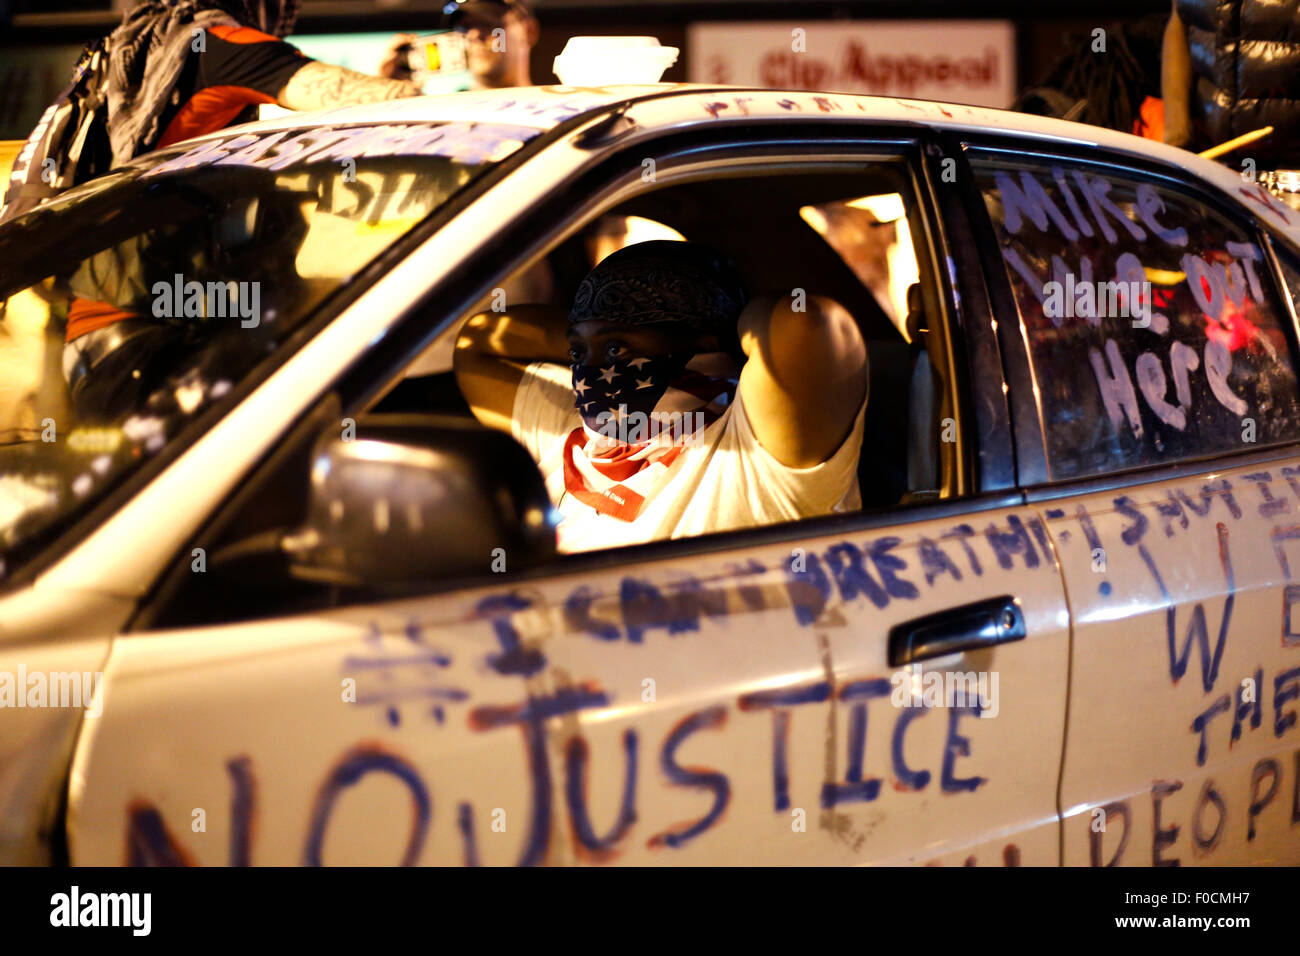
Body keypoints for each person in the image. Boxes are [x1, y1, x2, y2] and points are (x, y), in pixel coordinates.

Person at [453, 241, 869, 554]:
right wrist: (604, 321)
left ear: (707, 346)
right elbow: (479, 339)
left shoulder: (750, 447)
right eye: (577, 352)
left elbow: (806, 321)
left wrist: (724, 323)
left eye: (617, 351)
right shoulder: (570, 432)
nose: (595, 370)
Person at [1, 0, 420, 223]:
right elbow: (383, 100)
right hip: (163, 330)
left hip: (105, 315)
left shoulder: (150, 40)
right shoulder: (219, 44)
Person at [381, 0, 537, 91]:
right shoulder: (445, 116)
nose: (473, 35)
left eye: (487, 23)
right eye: (464, 28)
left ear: (529, 31)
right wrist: (392, 95)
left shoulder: (554, 110)